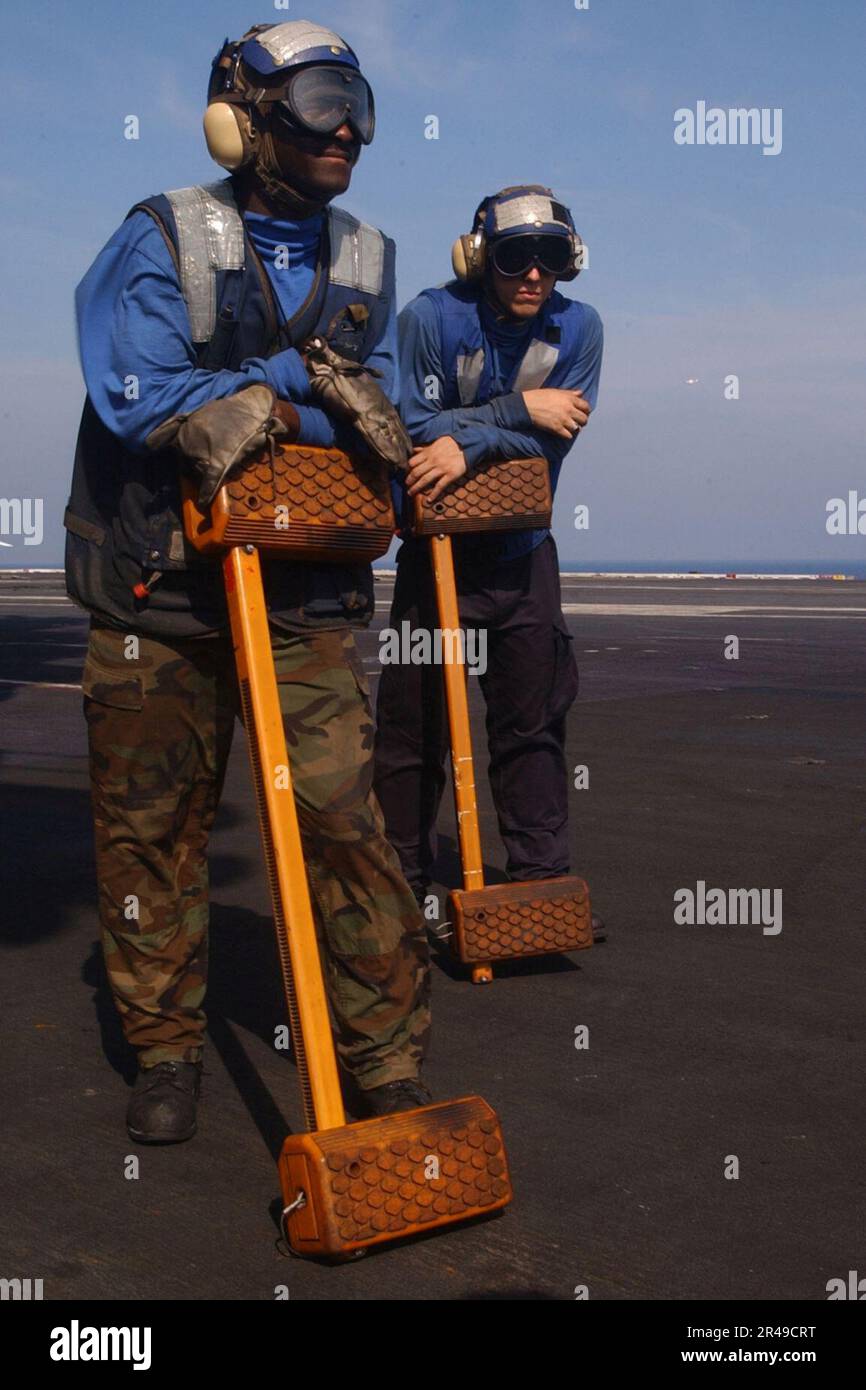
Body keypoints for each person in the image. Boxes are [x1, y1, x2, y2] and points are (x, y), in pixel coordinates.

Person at [65, 19, 431, 1143]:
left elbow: (382, 416)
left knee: (342, 821)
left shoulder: (367, 255)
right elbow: (138, 392)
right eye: (321, 103)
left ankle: (386, 1062)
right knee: (151, 830)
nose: (346, 133)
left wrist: (299, 405)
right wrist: (284, 384)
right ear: (244, 117)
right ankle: (166, 1051)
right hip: (158, 598)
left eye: (358, 107)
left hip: (305, 598)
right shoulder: (163, 236)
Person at [373, 185, 603, 928]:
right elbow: (408, 428)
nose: (533, 275)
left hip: (524, 555)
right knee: (413, 732)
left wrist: (464, 437)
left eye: (551, 258)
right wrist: (516, 411)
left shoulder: (581, 329)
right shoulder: (430, 319)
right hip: (435, 552)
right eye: (514, 258)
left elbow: (552, 441)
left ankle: (541, 884)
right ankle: (400, 891)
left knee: (531, 723)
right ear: (478, 258)